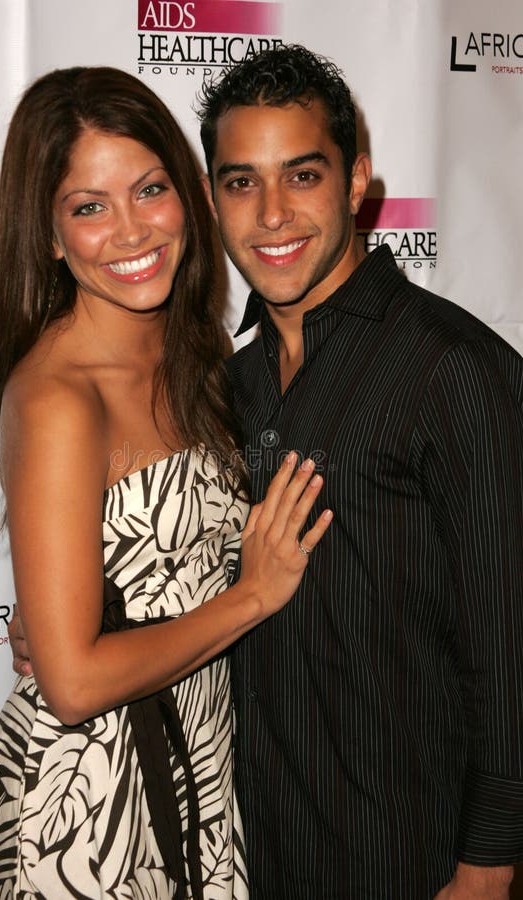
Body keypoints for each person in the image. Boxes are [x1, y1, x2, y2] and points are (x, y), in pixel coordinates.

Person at [0, 65, 333, 900]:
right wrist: (252, 596)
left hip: (203, 761)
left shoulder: (195, 353)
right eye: (89, 207)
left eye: (149, 190)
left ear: (187, 195)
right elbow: (73, 683)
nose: (131, 231)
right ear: (50, 235)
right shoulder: (58, 397)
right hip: (98, 799)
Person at [194, 44, 523, 899]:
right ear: (213, 200)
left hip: (410, 861)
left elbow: (510, 645)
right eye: (241, 182)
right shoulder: (226, 389)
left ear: (355, 184)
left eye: (301, 176)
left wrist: (488, 868)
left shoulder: (454, 369)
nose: (272, 214)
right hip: (255, 858)